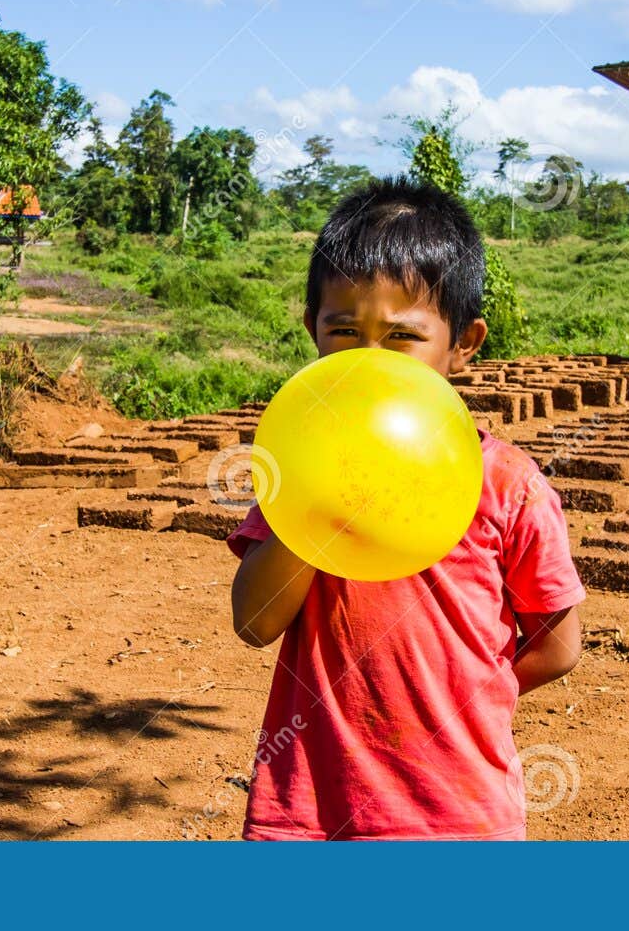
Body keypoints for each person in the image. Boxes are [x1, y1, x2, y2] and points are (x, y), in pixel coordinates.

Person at [227, 175, 584, 840]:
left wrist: (470, 697)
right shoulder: (296, 467)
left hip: (456, 817)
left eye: (401, 337)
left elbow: (559, 644)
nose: (370, 360)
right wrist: (319, 503)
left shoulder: (506, 483)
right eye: (343, 329)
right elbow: (254, 620)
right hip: (311, 810)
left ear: (464, 342)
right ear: (312, 330)